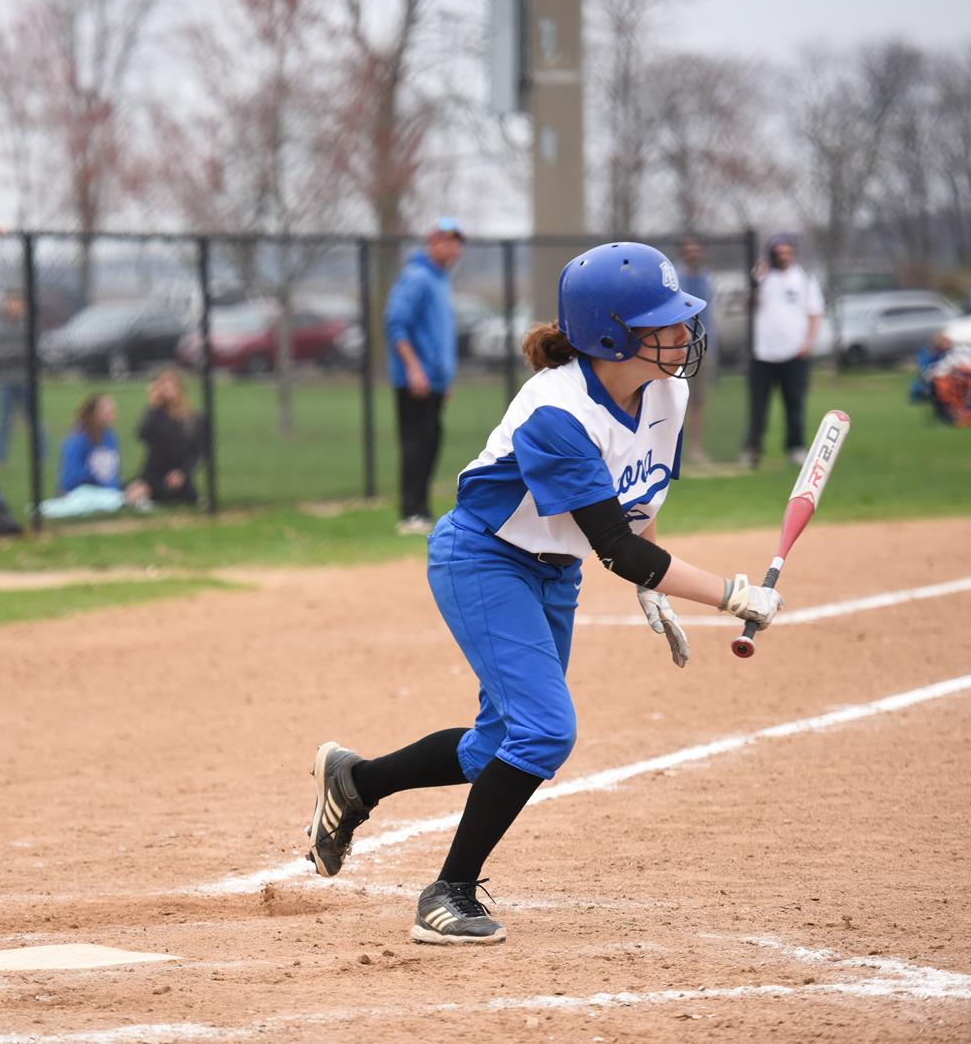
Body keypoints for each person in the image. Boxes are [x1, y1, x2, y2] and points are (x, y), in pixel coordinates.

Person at [303, 242, 785, 946]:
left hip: (554, 570)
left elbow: (636, 507)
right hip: (484, 558)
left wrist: (655, 587)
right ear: (612, 336)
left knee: (497, 742)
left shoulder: (667, 390)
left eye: (684, 318)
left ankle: (356, 783)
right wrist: (732, 594)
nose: (685, 334)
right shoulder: (556, 412)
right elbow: (618, 549)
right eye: (665, 322)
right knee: (545, 730)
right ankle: (448, 894)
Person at [386, 217, 463, 536]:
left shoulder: (440, 280)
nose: (453, 247)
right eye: (445, 240)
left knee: (431, 442)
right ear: (430, 244)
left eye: (456, 241)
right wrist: (414, 369)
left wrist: (445, 379)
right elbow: (395, 324)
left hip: (435, 381)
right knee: (416, 444)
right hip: (415, 382)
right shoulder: (417, 277)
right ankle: (410, 512)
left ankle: (421, 510)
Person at [743, 233, 824, 469]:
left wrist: (807, 344)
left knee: (794, 404)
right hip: (762, 353)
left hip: (794, 353)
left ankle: (795, 447)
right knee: (758, 405)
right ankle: (753, 447)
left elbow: (815, 313)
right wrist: (758, 279)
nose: (783, 257)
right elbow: (747, 304)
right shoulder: (762, 277)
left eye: (788, 252)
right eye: (779, 253)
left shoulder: (804, 279)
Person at [124, 368, 204, 509]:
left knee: (184, 494)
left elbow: (198, 452)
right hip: (154, 474)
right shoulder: (156, 415)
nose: (166, 389)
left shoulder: (193, 418)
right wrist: (153, 406)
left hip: (179, 476)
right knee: (131, 492)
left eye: (170, 385)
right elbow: (143, 435)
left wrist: (182, 473)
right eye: (162, 385)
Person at [0, 288, 46, 467]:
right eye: (11, 302)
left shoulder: (29, 324)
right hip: (4, 379)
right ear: (6, 304)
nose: (15, 306)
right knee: (3, 420)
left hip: (27, 379)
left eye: (18, 302)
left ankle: (41, 457)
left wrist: (12, 350)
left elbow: (32, 350)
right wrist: (16, 350)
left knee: (34, 419)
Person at [677, 237, 716, 466]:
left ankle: (695, 450)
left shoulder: (707, 278)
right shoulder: (676, 276)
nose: (693, 254)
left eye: (696, 250)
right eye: (688, 249)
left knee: (697, 400)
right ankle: (671, 451)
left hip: (701, 347)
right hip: (675, 346)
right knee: (672, 397)